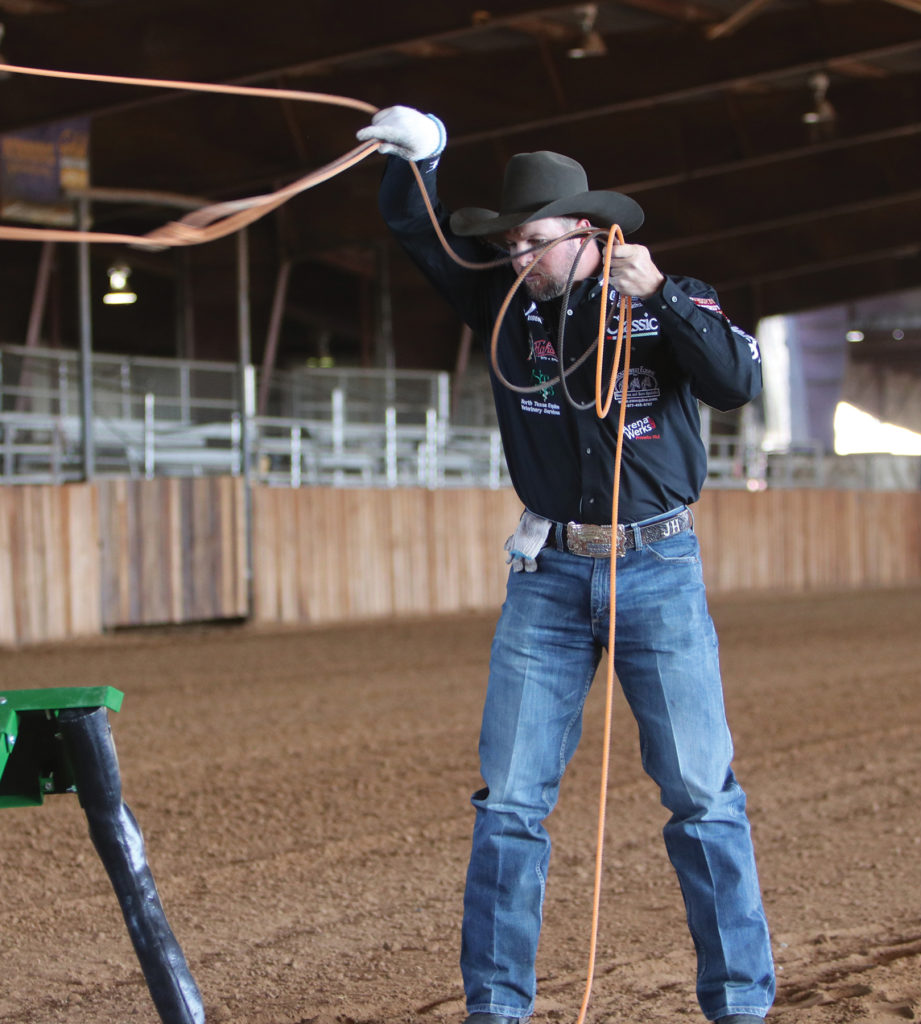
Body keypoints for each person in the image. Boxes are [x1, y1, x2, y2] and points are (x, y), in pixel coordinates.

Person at [356, 106, 774, 1024]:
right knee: (508, 801)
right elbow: (421, 241)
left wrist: (658, 292)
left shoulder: (672, 301)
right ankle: (495, 1011)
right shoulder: (505, 307)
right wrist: (418, 160)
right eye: (509, 244)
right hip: (548, 572)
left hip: (657, 567)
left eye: (532, 243)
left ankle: (740, 1006)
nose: (517, 259)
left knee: (701, 794)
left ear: (586, 234)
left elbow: (738, 382)